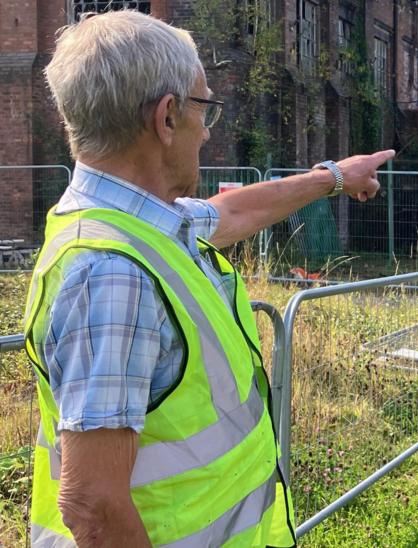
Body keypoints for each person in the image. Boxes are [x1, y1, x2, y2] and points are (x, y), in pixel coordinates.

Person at [24, 10, 393, 547]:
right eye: (205, 107)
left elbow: (233, 212)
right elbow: (93, 509)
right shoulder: (110, 274)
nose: (207, 129)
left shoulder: (142, 223)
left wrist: (334, 177)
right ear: (167, 118)